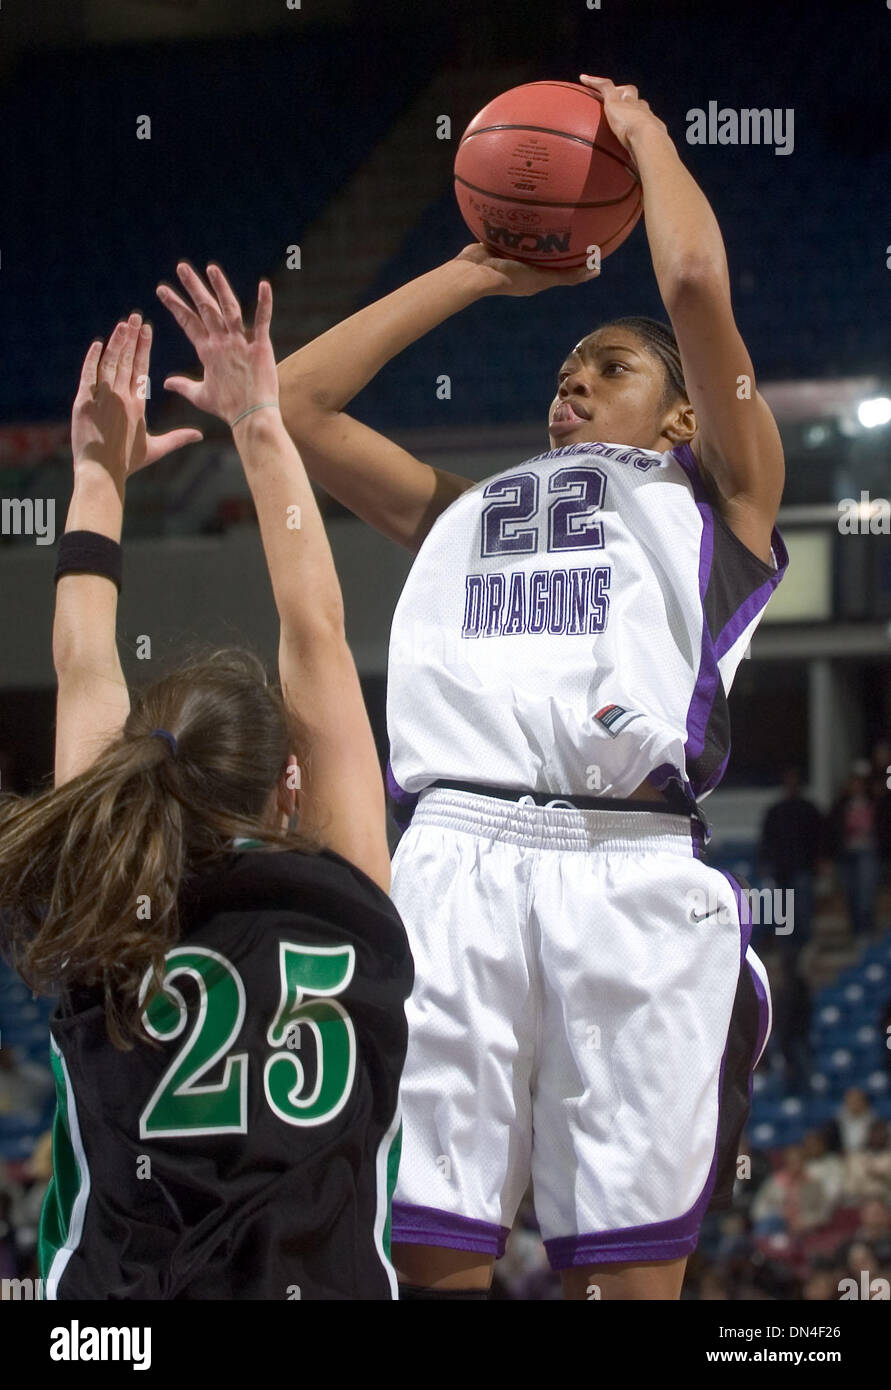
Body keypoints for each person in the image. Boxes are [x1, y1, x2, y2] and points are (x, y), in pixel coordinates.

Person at [275, 74, 788, 1300]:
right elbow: (291, 402)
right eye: (563, 367)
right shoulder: (467, 512)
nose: (570, 378)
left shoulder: (719, 500)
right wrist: (478, 273)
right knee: (434, 1253)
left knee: (626, 1279)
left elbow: (696, 285)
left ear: (676, 421)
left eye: (605, 366)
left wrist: (648, 139)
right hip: (454, 855)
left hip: (630, 864)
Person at [0, 267, 412, 1300]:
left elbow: (83, 659)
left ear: (138, 766)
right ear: (289, 780)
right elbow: (316, 628)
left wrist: (98, 473)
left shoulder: (103, 899)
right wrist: (256, 418)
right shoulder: (344, 901)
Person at [757, 767, 826, 952]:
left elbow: (819, 839)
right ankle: (787, 951)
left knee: (803, 912)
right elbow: (766, 841)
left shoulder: (809, 809)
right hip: (780, 871)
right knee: (785, 917)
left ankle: (805, 950)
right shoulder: (775, 811)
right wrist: (765, 863)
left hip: (803, 868)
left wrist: (819, 861)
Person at [827, 762, 881, 937]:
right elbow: (832, 830)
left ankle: (866, 929)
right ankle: (857, 930)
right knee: (851, 894)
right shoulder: (841, 805)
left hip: (868, 852)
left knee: (866, 893)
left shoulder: (875, 802)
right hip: (847, 854)